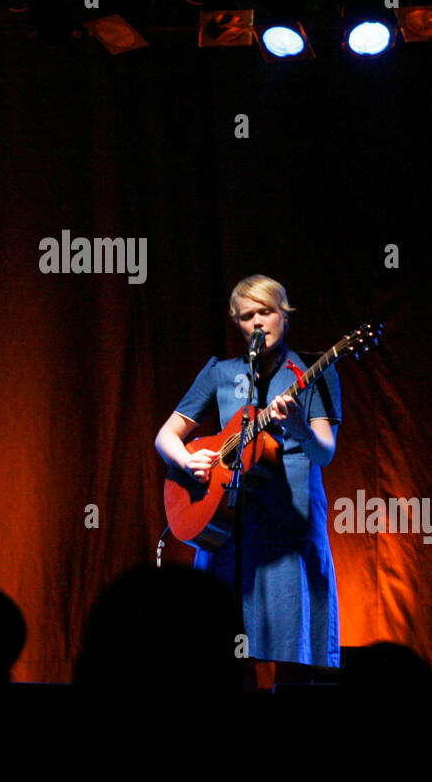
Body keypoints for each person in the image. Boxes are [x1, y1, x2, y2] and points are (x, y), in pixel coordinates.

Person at [154, 274, 342, 668]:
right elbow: (166, 436)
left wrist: (299, 429)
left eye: (266, 312)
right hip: (226, 520)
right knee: (217, 645)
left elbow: (324, 453)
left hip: (289, 524)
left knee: (291, 648)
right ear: (237, 324)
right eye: (246, 316)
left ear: (284, 317)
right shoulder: (220, 374)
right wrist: (188, 460)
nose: (257, 322)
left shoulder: (311, 371)